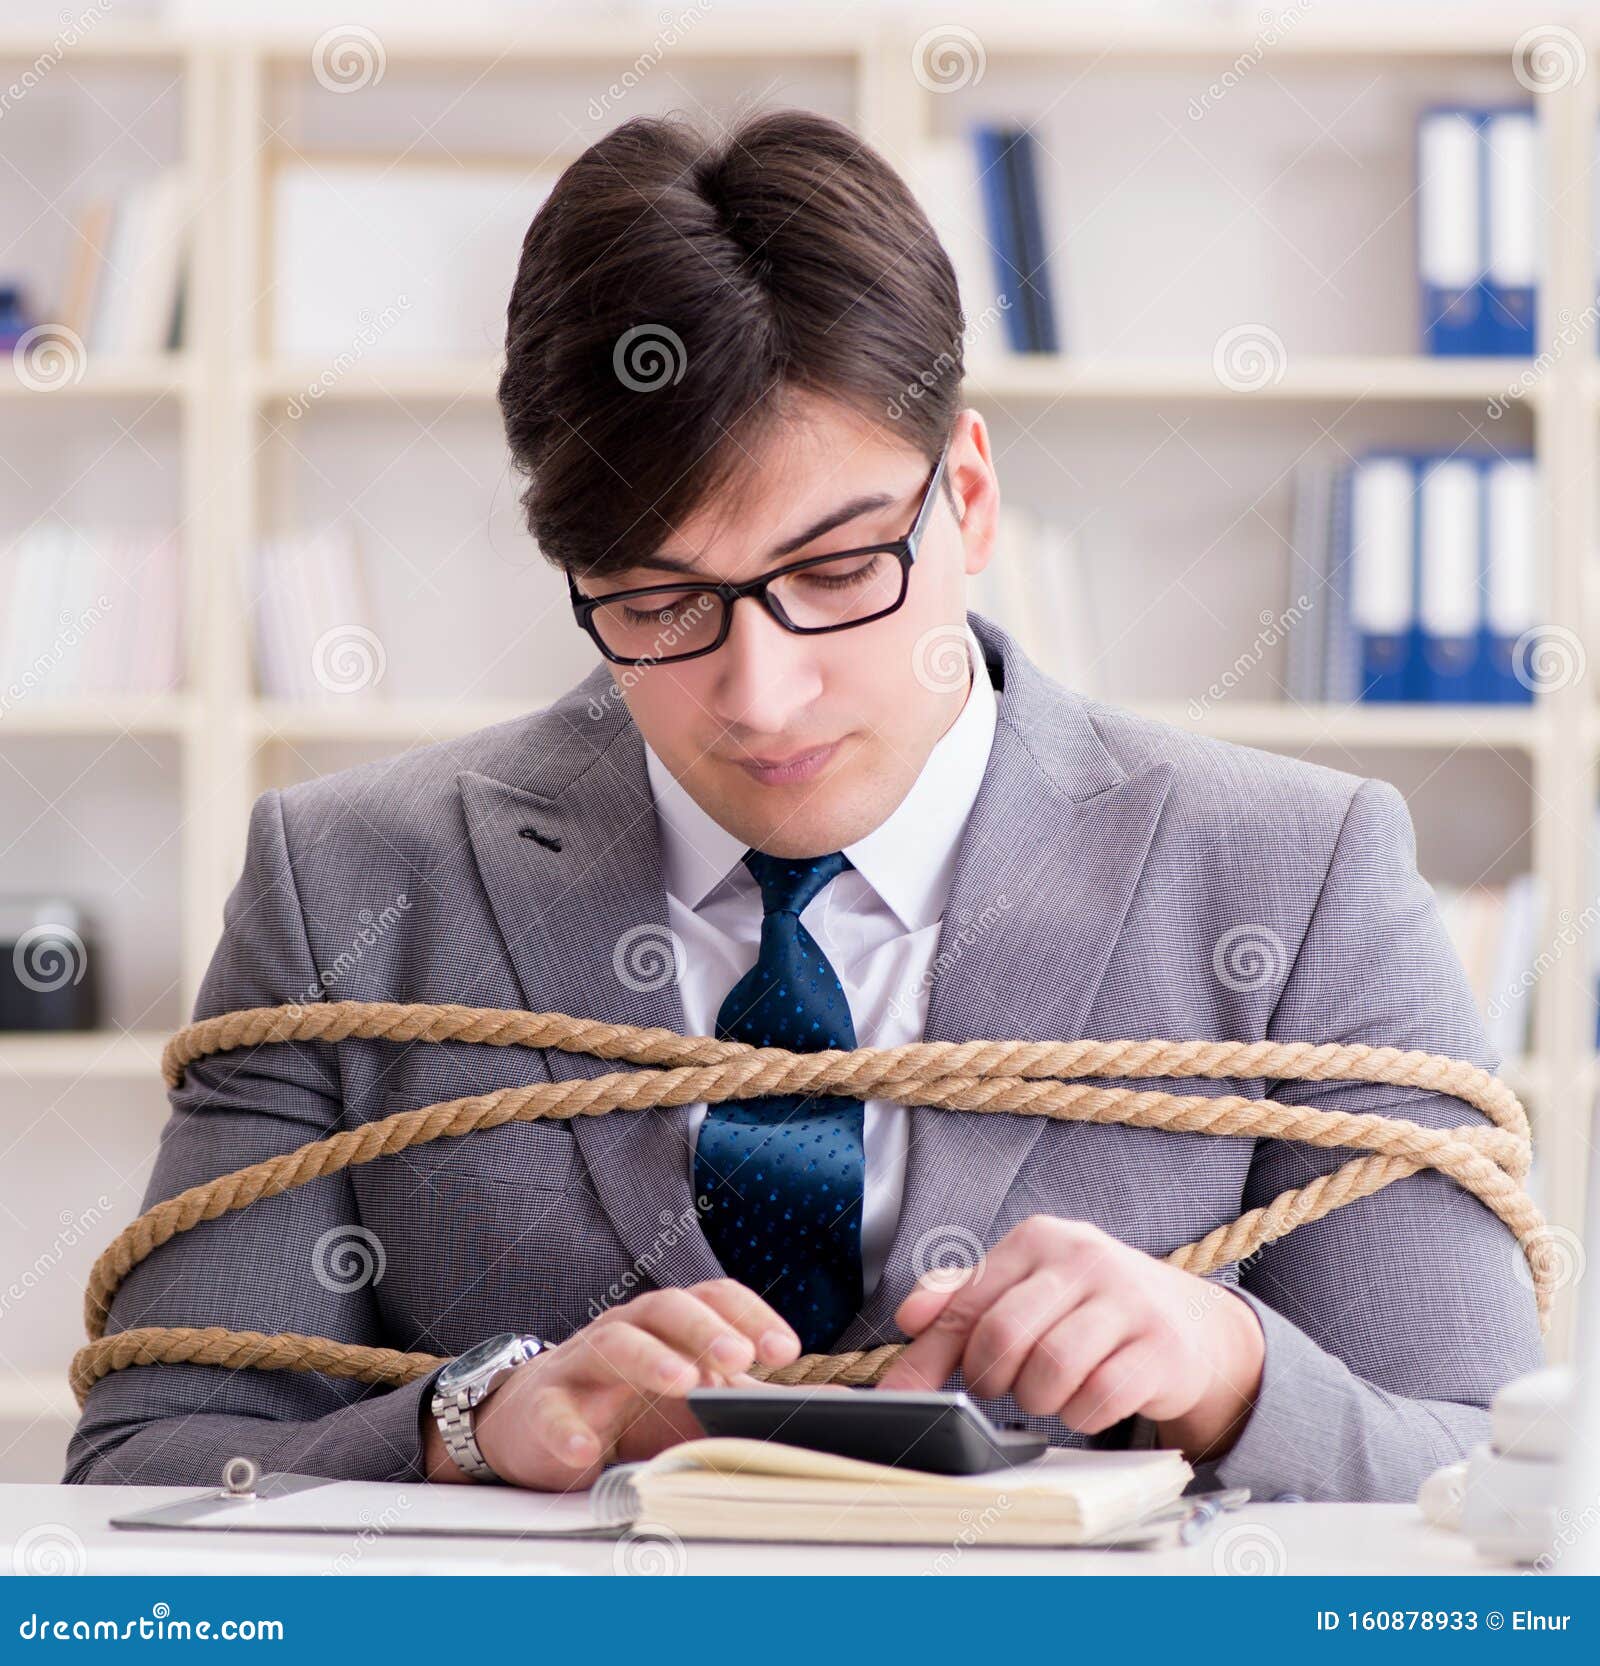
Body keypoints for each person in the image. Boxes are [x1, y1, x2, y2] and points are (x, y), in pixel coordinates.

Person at [66, 109, 1542, 1504]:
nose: (760, 694)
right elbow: (149, 1464)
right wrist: (470, 1423)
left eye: (837, 574)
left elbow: (1488, 1478)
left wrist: (1233, 1372)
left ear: (967, 497)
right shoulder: (349, 882)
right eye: (656, 600)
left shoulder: (1294, 877)